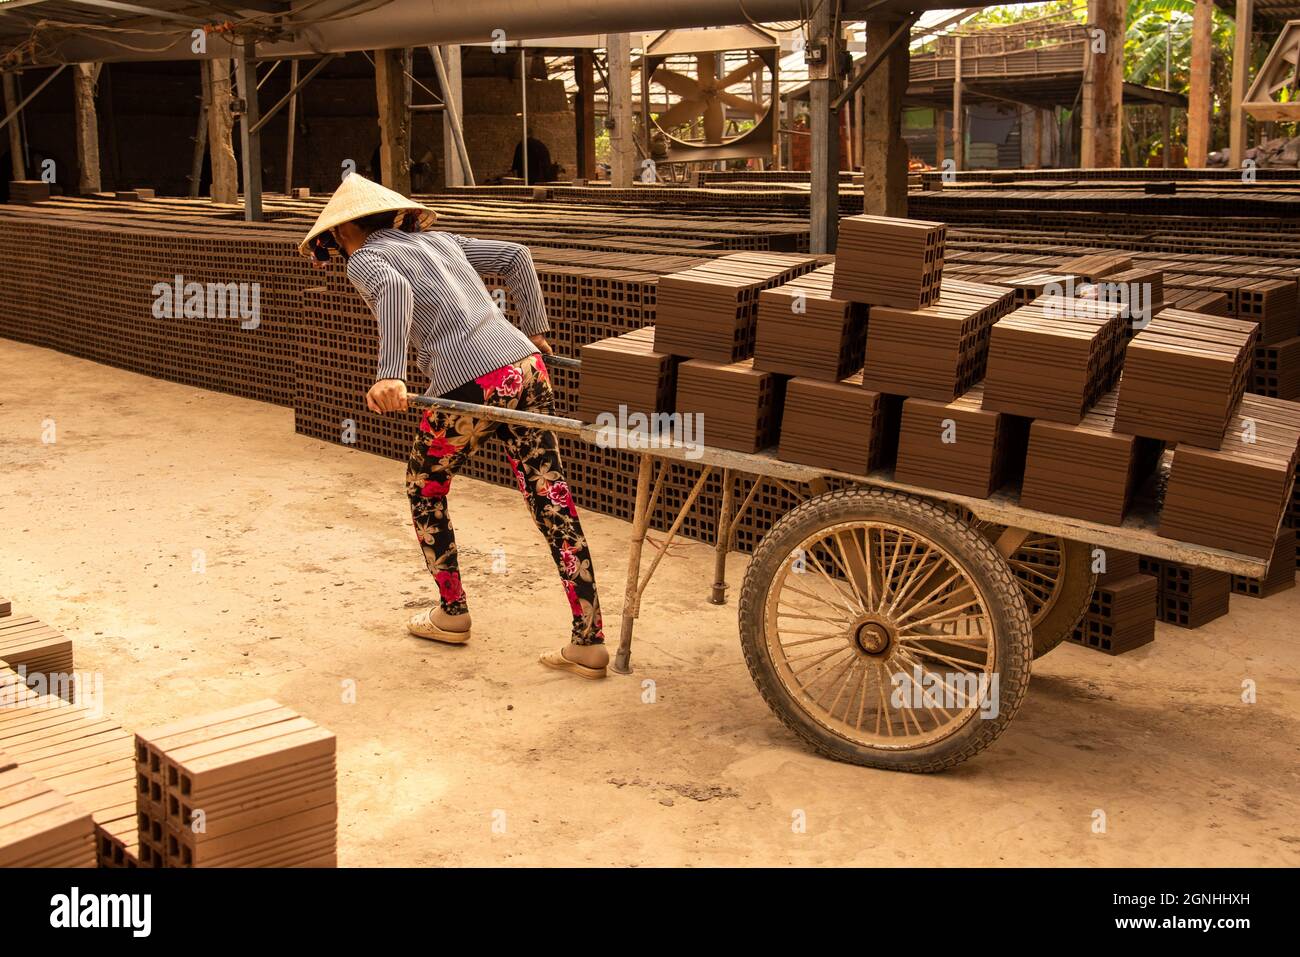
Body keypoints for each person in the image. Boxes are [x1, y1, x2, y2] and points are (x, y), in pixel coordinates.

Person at [298, 174, 608, 679]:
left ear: (341, 231)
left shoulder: (367, 260)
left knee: (425, 488)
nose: (331, 248)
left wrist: (390, 372)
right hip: (526, 366)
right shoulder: (438, 240)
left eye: (329, 241)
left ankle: (452, 613)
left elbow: (395, 290)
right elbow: (515, 256)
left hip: (468, 382)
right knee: (550, 497)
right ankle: (589, 640)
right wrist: (533, 328)